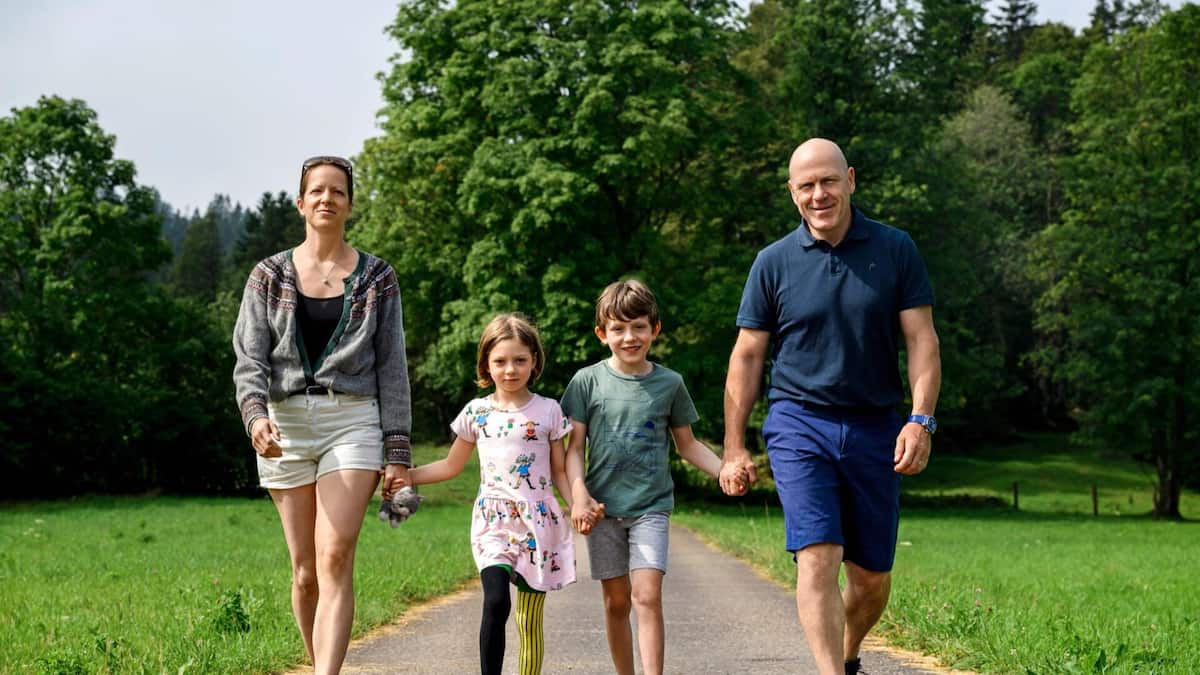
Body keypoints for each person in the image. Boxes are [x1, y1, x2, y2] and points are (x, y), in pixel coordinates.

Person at [721, 138, 942, 675]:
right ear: (792, 192)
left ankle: (846, 656)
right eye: (806, 186)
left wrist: (920, 420)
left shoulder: (895, 249)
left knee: (871, 579)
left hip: (876, 426)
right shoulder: (772, 263)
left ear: (851, 180)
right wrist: (733, 445)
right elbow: (747, 355)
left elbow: (922, 339)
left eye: (828, 181)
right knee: (818, 555)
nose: (818, 194)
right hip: (799, 421)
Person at [232, 155, 412, 675]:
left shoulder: (378, 277)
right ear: (300, 203)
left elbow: (392, 367)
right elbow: (249, 359)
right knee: (305, 571)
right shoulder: (268, 276)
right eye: (317, 191)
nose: (327, 199)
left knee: (334, 556)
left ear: (350, 205)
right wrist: (255, 417)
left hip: (352, 421)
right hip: (284, 425)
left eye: (337, 191)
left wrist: (397, 453)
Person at [562, 279, 746, 675]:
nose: (629, 337)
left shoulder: (670, 384)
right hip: (603, 509)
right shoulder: (586, 382)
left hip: (651, 507)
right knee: (616, 601)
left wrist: (723, 470)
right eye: (618, 329)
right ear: (602, 334)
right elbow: (573, 449)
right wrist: (579, 496)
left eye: (639, 327)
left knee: (647, 596)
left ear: (655, 329)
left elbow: (688, 445)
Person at [404, 313, 576, 675]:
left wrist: (578, 505)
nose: (510, 369)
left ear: (534, 361)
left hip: (537, 524)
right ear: (486, 364)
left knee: (528, 620)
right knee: (496, 602)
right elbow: (451, 465)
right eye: (500, 361)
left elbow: (560, 471)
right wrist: (407, 476)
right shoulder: (477, 412)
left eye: (520, 360)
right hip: (493, 524)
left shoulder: (549, 410)